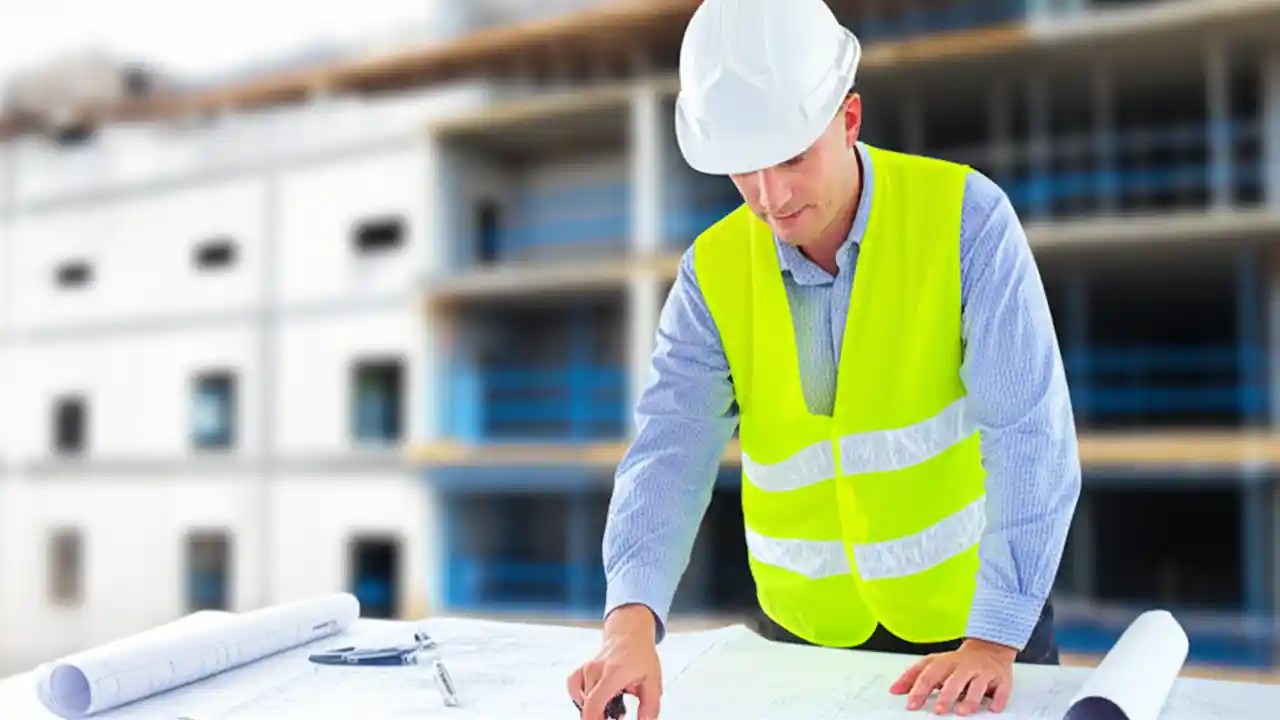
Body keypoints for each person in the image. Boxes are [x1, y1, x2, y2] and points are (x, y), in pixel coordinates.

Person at [566, 0, 1081, 717]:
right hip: (801, 642)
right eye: (744, 168)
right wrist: (628, 624)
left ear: (848, 119)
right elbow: (668, 452)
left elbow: (1030, 435)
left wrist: (995, 639)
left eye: (792, 157)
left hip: (976, 635)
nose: (770, 197)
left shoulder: (965, 220)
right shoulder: (711, 272)